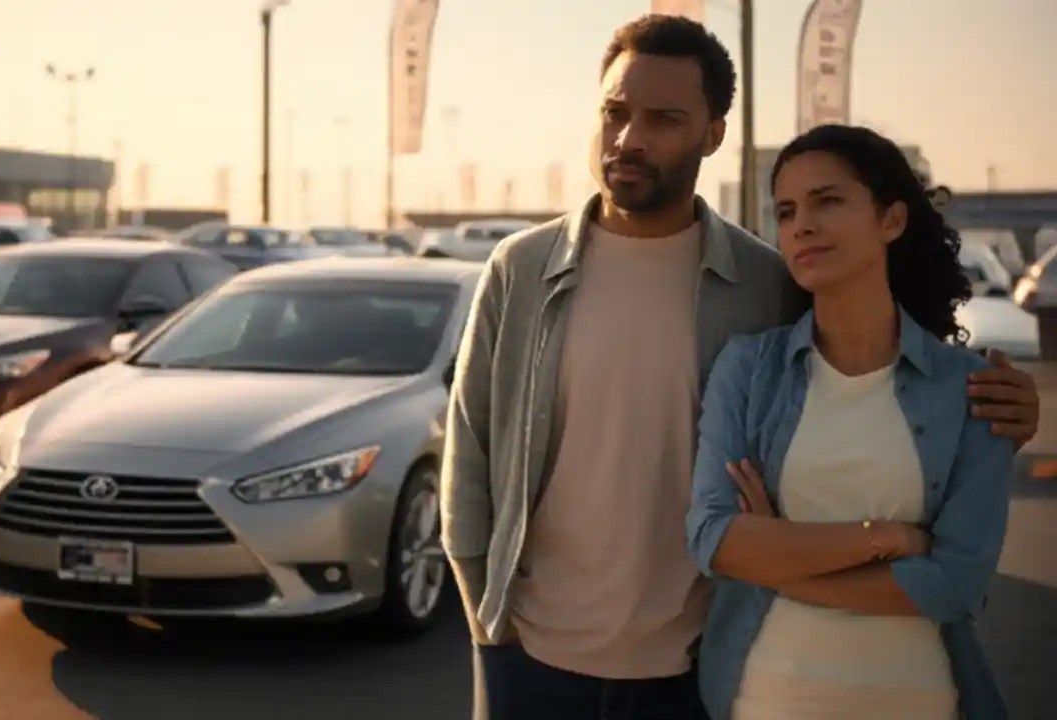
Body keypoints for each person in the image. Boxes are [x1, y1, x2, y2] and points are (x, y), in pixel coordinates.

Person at [440, 14, 1038, 720]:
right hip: (531, 658)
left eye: (663, 118)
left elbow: (870, 365)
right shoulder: (521, 270)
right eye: (614, 113)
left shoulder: (766, 280)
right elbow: (470, 459)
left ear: (712, 134)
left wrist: (1009, 409)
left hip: (695, 662)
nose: (629, 138)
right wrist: (490, 626)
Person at [685, 125, 1013, 720]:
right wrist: (888, 539)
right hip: (767, 699)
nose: (801, 225)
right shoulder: (750, 370)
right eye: (785, 211)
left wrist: (779, 559)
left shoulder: (970, 389)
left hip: (919, 701)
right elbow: (717, 539)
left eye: (827, 201)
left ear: (891, 220)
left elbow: (956, 584)